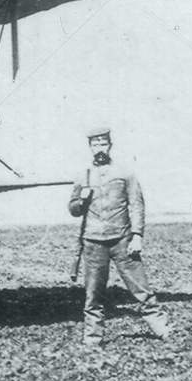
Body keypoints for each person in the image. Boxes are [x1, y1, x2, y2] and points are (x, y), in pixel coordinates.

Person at [67, 125, 168, 347]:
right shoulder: (82, 175)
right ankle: (92, 338)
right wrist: (81, 200)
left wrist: (137, 235)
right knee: (93, 294)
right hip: (93, 242)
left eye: (103, 143)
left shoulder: (125, 172)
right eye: (95, 144)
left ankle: (163, 330)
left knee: (141, 289)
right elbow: (73, 210)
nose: (99, 148)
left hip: (122, 240)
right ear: (90, 147)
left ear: (110, 145)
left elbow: (137, 205)